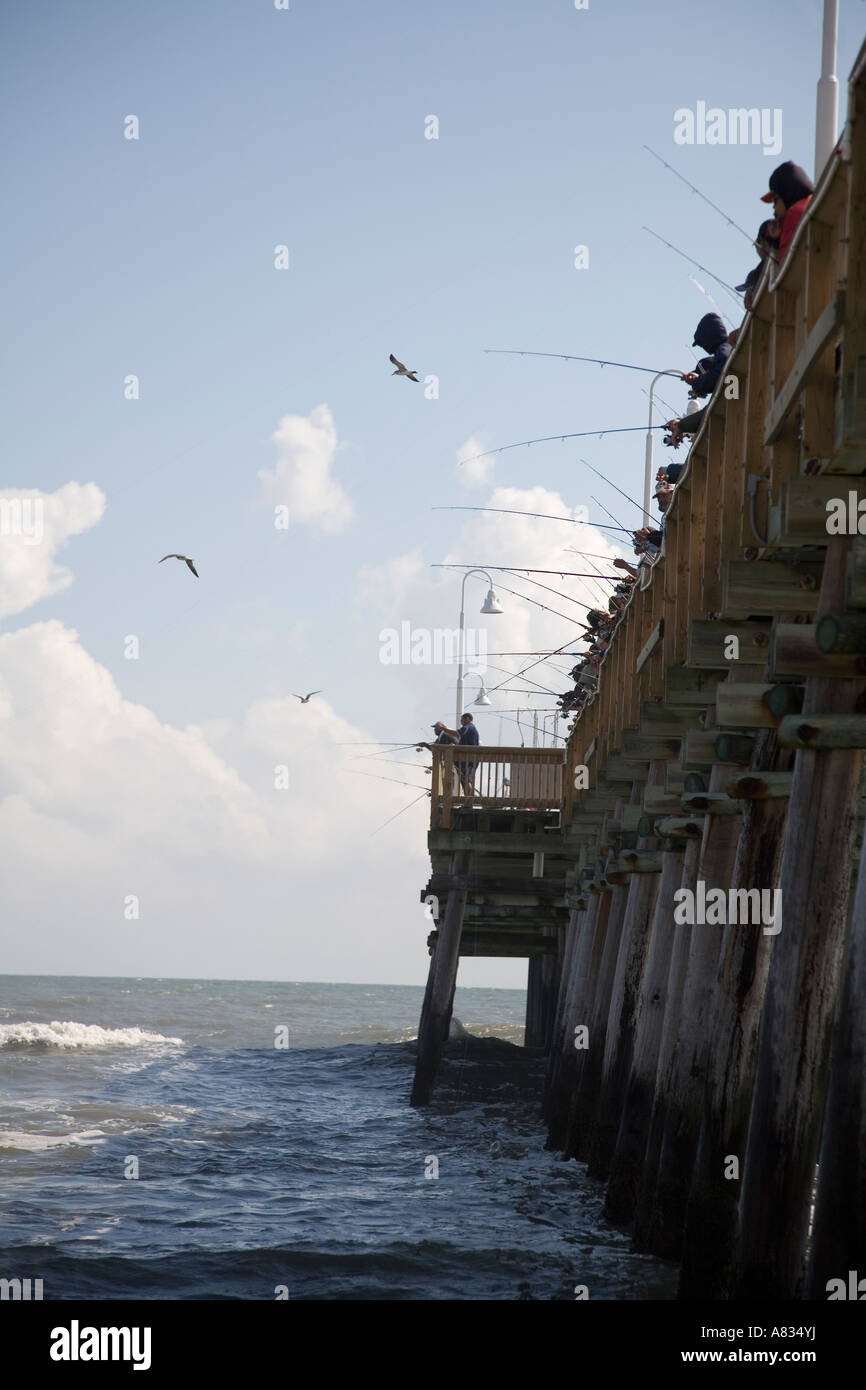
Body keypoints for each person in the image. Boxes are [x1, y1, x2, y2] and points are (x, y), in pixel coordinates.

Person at [761, 161, 814, 260]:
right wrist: (777, 239)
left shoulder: (794, 214)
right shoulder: (812, 204)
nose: (774, 208)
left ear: (787, 194)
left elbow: (784, 264)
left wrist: (775, 241)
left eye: (775, 200)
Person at [681, 313, 732, 401]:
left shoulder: (723, 349)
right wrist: (698, 376)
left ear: (708, 338)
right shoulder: (727, 347)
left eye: (702, 343)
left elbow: (720, 373)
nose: (703, 347)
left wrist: (696, 382)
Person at [455, 712, 479, 794]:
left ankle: (469, 798)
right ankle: (467, 799)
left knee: (467, 780)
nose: (461, 722)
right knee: (465, 779)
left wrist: (444, 730)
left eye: (462, 720)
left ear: (468, 719)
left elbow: (458, 733)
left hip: (469, 760)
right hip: (466, 760)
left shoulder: (469, 726)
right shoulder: (470, 728)